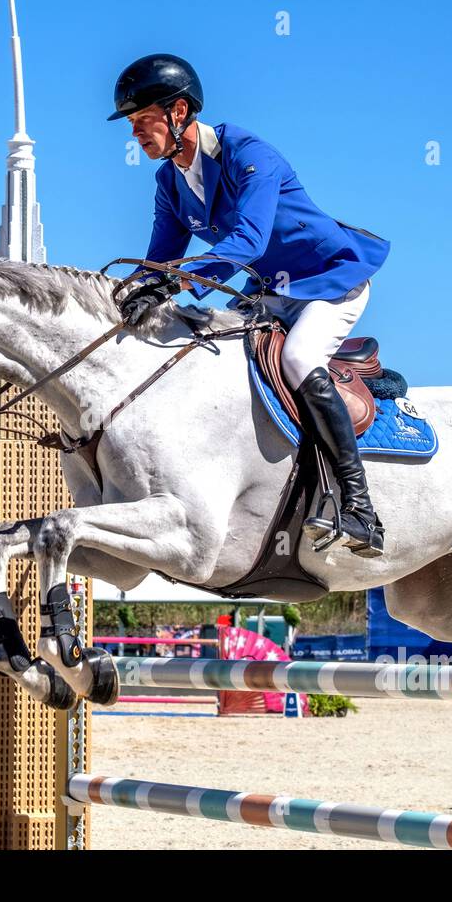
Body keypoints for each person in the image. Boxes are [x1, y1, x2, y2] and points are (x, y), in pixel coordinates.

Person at [110, 53, 391, 556]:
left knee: (299, 359)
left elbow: (248, 241)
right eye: (131, 123)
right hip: (269, 294)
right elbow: (161, 259)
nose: (134, 133)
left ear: (178, 112)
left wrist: (178, 287)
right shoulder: (169, 182)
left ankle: (360, 508)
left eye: (141, 119)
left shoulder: (248, 154)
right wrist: (128, 294)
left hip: (329, 280)